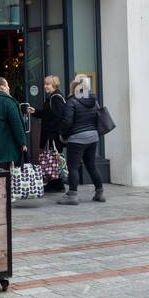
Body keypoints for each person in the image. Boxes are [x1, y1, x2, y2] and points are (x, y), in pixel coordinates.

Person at [59, 74, 106, 205]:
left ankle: (73, 196)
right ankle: (100, 193)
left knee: (73, 167)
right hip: (93, 137)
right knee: (91, 165)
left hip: (77, 138)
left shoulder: (71, 101)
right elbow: (97, 117)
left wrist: (63, 135)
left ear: (74, 86)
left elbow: (67, 122)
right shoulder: (93, 100)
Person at [32, 76, 67, 193]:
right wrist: (35, 112)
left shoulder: (56, 98)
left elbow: (59, 117)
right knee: (52, 159)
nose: (45, 86)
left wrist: (52, 135)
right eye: (45, 84)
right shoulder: (53, 97)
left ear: (54, 85)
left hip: (53, 135)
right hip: (51, 135)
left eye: (48, 84)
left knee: (54, 159)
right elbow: (48, 114)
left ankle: (58, 184)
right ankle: (54, 183)